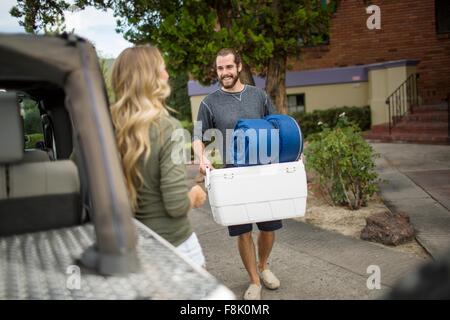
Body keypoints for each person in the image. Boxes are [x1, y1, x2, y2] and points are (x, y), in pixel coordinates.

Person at [193, 48, 281, 299]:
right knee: (243, 230)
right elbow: (197, 136)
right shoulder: (209, 103)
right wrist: (201, 157)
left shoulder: (259, 96)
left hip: (264, 170)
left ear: (239, 67)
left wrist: (292, 152)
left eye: (229, 67)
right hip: (233, 174)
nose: (225, 73)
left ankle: (264, 266)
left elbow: (277, 124)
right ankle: (254, 281)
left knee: (268, 226)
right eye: (220, 69)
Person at [110, 45, 207, 268]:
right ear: (150, 78)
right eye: (162, 68)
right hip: (175, 246)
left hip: (127, 248)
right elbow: (175, 205)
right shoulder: (167, 128)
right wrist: (194, 195)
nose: (168, 75)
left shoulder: (96, 128)